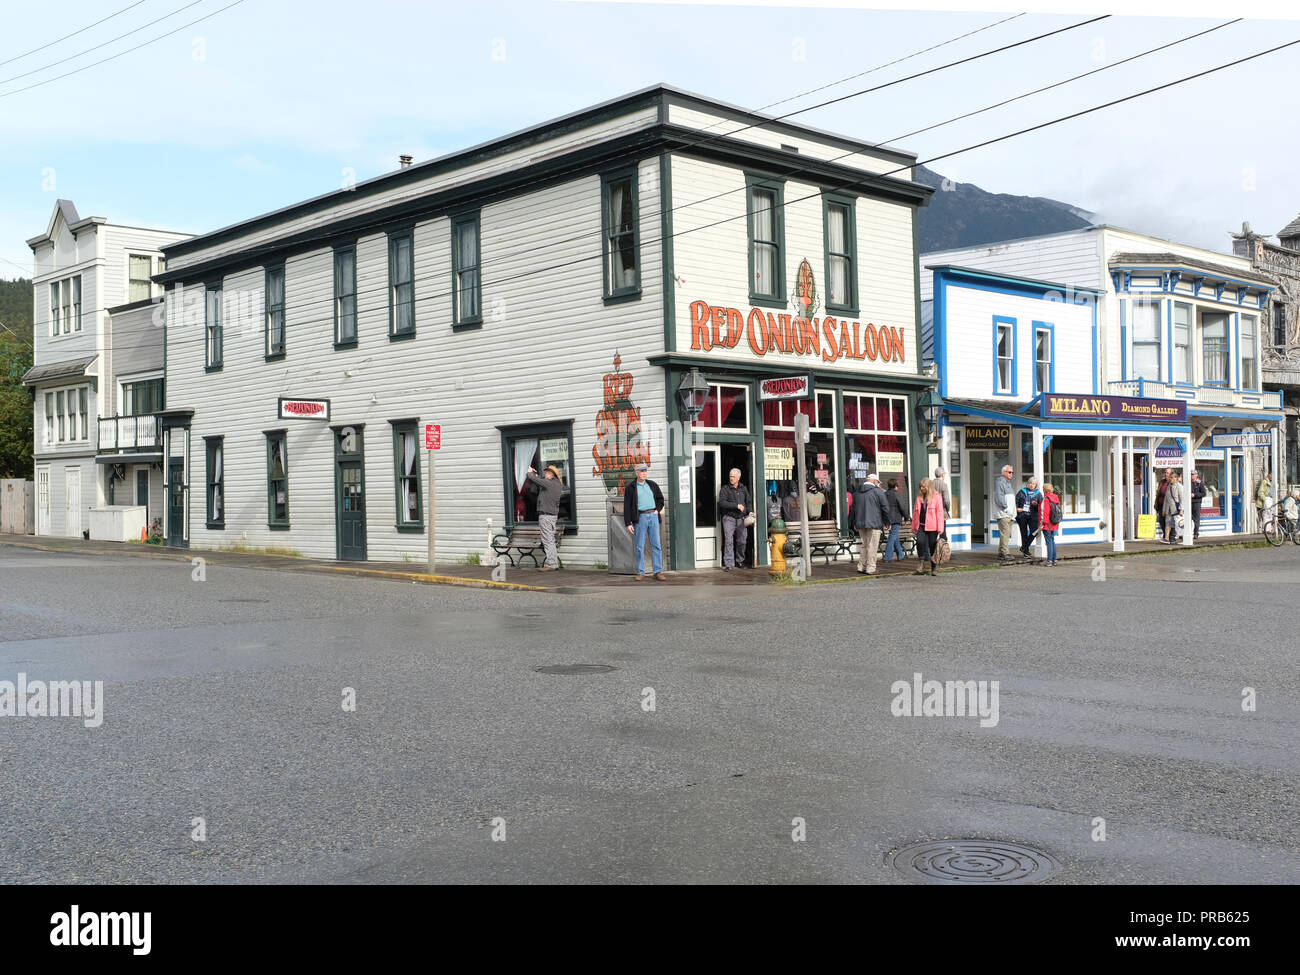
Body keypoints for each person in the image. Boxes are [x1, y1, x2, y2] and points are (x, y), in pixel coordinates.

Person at [622, 463, 665, 581]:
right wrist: (628, 523)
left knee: (656, 545)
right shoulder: (631, 488)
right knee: (639, 546)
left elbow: (661, 499)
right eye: (642, 471)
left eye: (645, 471)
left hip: (653, 516)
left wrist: (657, 510)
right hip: (640, 518)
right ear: (636, 473)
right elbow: (627, 506)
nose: (644, 473)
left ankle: (657, 571)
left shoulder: (652, 485)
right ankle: (641, 572)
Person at [524, 464, 564, 571]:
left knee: (547, 540)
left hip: (546, 516)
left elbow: (533, 479)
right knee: (550, 540)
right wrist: (536, 476)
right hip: (551, 516)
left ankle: (551, 564)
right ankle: (553, 563)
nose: (545, 474)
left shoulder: (550, 484)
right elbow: (540, 481)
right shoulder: (556, 484)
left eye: (547, 472)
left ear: (551, 475)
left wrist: (530, 472)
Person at [849, 473, 888, 575]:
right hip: (874, 523)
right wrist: (887, 522)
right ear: (875, 481)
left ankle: (861, 566)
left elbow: (853, 509)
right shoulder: (878, 492)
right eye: (878, 482)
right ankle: (871, 568)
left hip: (860, 523)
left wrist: (854, 522)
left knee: (864, 545)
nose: (878, 484)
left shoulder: (857, 493)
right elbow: (885, 508)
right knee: (872, 545)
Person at [717, 467, 752, 572]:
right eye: (730, 476)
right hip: (729, 517)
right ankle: (729, 564)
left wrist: (750, 511)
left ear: (738, 477)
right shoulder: (725, 489)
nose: (731, 478)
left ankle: (740, 561)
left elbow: (748, 502)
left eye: (733, 477)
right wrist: (736, 505)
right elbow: (722, 503)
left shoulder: (743, 488)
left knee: (742, 540)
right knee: (728, 540)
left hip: (741, 518)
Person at [911, 476, 945, 577]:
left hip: (932, 526)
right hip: (921, 525)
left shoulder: (937, 496)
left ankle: (934, 567)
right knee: (920, 542)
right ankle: (921, 564)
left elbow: (940, 513)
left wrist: (940, 528)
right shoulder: (919, 497)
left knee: (932, 546)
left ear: (928, 487)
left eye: (923, 487)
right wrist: (913, 526)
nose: (921, 489)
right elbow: (915, 512)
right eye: (920, 487)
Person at [1015, 477, 1042, 558]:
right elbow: (1015, 502)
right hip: (1022, 515)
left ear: (1036, 485)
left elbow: (1041, 506)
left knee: (1034, 531)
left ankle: (1024, 547)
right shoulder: (1021, 492)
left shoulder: (1038, 494)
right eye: (1030, 483)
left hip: (1033, 516)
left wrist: (1036, 504)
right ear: (1027, 483)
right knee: (1023, 533)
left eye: (1033, 484)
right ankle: (1026, 551)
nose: (1031, 485)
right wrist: (1016, 509)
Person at [994, 464, 1016, 559]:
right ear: (1004, 472)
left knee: (1006, 533)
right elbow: (999, 497)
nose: (1011, 474)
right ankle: (1005, 553)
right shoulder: (1000, 482)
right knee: (1005, 533)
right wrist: (1006, 508)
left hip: (1009, 514)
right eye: (1009, 472)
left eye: (1012, 472)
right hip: (1004, 513)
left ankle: (1001, 551)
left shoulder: (1008, 483)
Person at [883, 478, 907, 562]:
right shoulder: (897, 495)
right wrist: (906, 516)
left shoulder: (884, 494)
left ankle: (900, 555)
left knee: (894, 536)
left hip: (887, 519)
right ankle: (887, 557)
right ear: (896, 486)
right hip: (896, 518)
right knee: (892, 537)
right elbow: (902, 507)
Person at [1040, 481, 1061, 566]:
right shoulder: (1056, 497)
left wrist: (1042, 524)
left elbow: (1044, 513)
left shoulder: (1046, 499)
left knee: (1049, 542)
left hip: (1047, 523)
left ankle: (1049, 561)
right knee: (1052, 541)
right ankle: (1054, 559)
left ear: (1044, 490)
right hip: (1054, 523)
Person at [1162, 471, 1183, 543]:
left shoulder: (1179, 486)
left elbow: (1182, 498)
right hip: (1168, 508)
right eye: (1170, 477)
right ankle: (1166, 538)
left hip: (1176, 509)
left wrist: (1181, 509)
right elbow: (1166, 499)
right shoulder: (1169, 486)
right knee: (1168, 522)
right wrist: (1164, 509)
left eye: (1171, 477)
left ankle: (1177, 537)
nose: (1170, 479)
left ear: (1176, 478)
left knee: (1177, 523)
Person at [933, 467, 952, 538]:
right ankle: (942, 548)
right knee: (943, 534)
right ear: (942, 475)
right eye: (944, 474)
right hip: (942, 513)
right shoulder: (944, 485)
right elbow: (946, 500)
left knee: (933, 534)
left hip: (932, 513)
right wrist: (947, 509)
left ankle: (934, 548)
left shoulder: (931, 484)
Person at [1189, 470, 1206, 541]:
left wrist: (1195, 495)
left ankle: (1196, 533)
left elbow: (1204, 493)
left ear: (1196, 475)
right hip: (1189, 503)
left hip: (1196, 503)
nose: (1191, 476)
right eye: (1191, 474)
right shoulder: (1188, 483)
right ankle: (1187, 532)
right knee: (1188, 518)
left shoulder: (1199, 483)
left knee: (1196, 518)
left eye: (1193, 475)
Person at [1155, 468, 1170, 538]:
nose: (1166, 474)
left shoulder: (1172, 482)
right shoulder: (1162, 482)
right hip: (1161, 504)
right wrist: (1156, 502)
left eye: (1167, 473)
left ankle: (1169, 536)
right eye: (1165, 472)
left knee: (1168, 520)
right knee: (1161, 520)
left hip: (1168, 505)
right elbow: (1158, 493)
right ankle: (1165, 534)